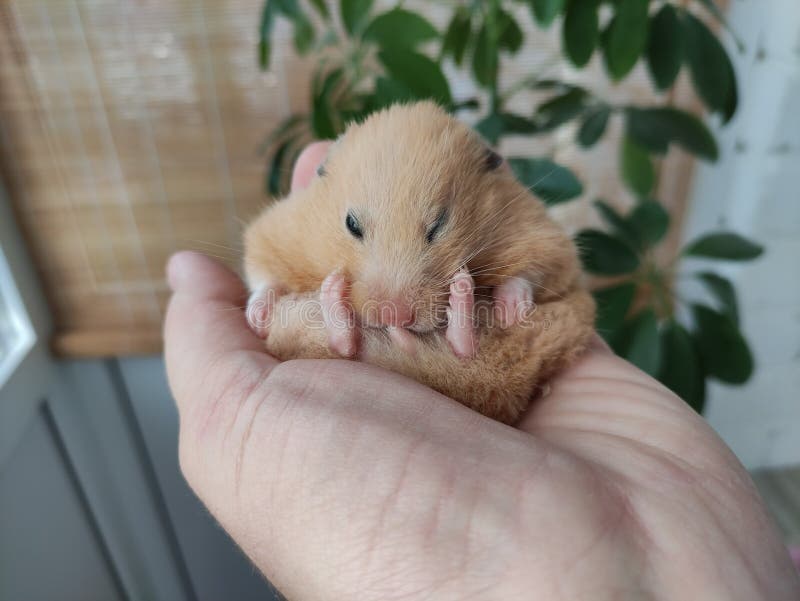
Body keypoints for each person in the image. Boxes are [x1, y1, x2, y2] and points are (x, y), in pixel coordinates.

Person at [163, 142, 800, 600]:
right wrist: (269, 288)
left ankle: (424, 347)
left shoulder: (497, 198)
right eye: (355, 228)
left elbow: (551, 258)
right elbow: (265, 252)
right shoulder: (311, 210)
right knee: (288, 316)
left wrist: (520, 279)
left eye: (436, 228)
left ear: (488, 171)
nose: (398, 303)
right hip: (382, 343)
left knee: (551, 321)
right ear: (325, 188)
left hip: (499, 363)